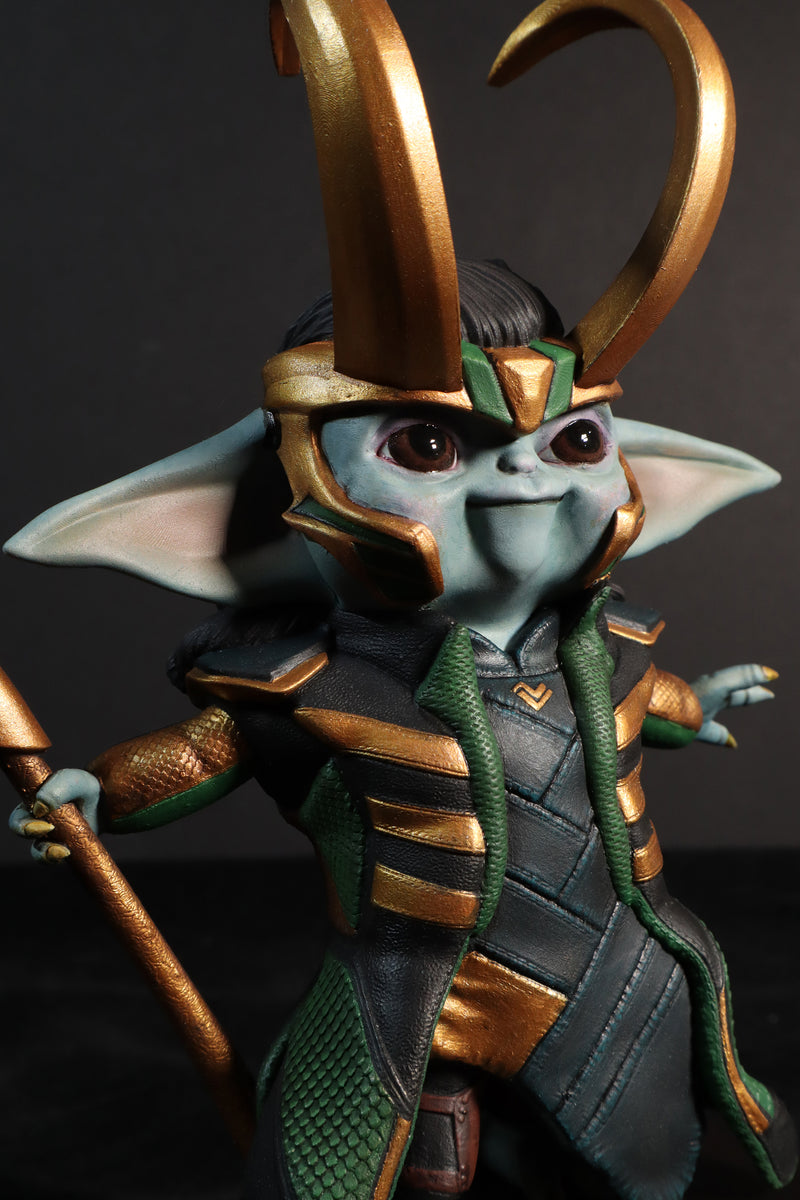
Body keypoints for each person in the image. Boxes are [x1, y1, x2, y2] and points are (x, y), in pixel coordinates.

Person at [7, 1, 798, 1197]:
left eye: (572, 440)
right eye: (428, 447)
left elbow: (642, 711)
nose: (524, 477)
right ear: (279, 494)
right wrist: (99, 793)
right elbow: (208, 750)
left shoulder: (610, 647)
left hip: (621, 974)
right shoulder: (319, 683)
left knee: (634, 1162)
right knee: (411, 1167)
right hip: (421, 1000)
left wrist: (703, 701)